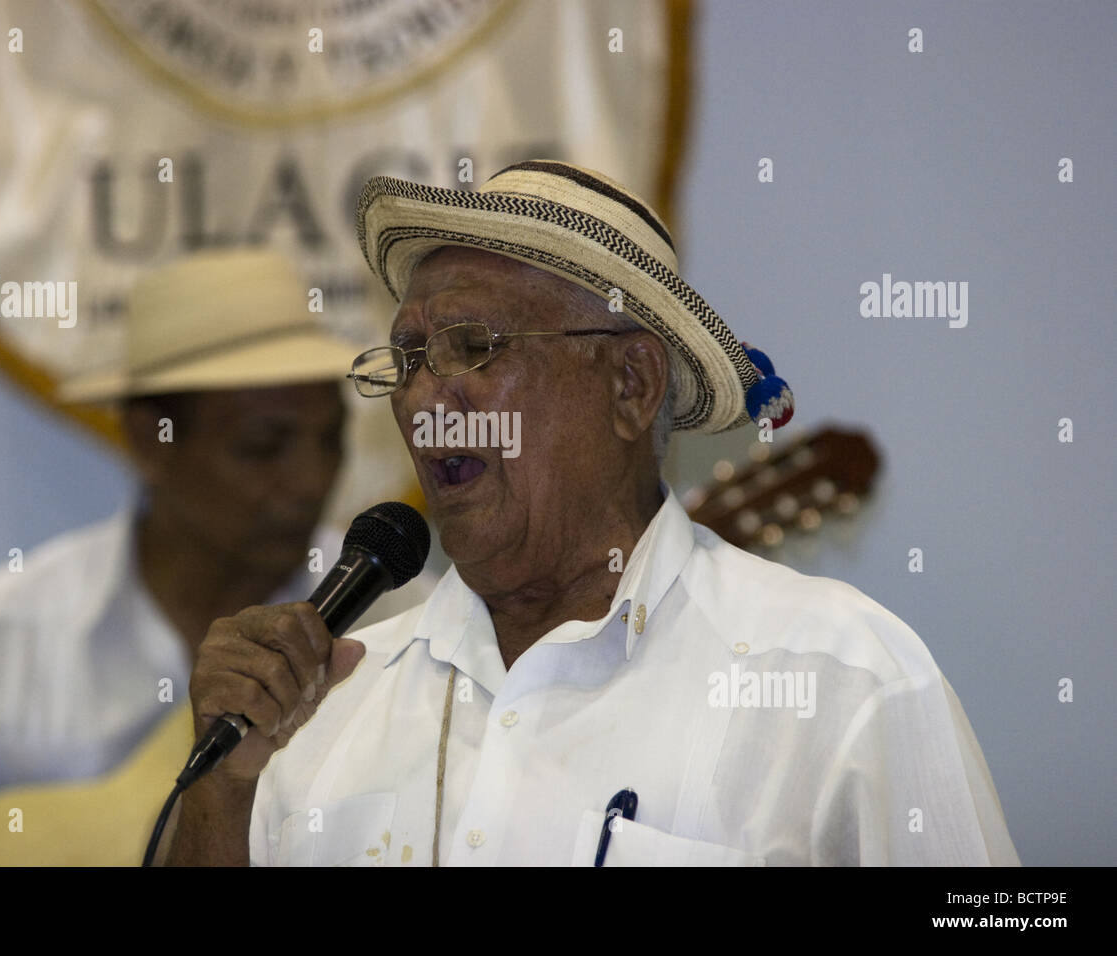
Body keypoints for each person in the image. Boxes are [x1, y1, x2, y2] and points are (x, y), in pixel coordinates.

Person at [162, 161, 1019, 866]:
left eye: (473, 347)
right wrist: (220, 791)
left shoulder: (843, 678)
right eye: (409, 357)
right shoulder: (317, 704)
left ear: (631, 385)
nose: (426, 393)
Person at [0, 247, 432, 865]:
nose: (308, 479)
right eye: (264, 445)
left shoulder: (407, 623)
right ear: (151, 440)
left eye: (328, 440)